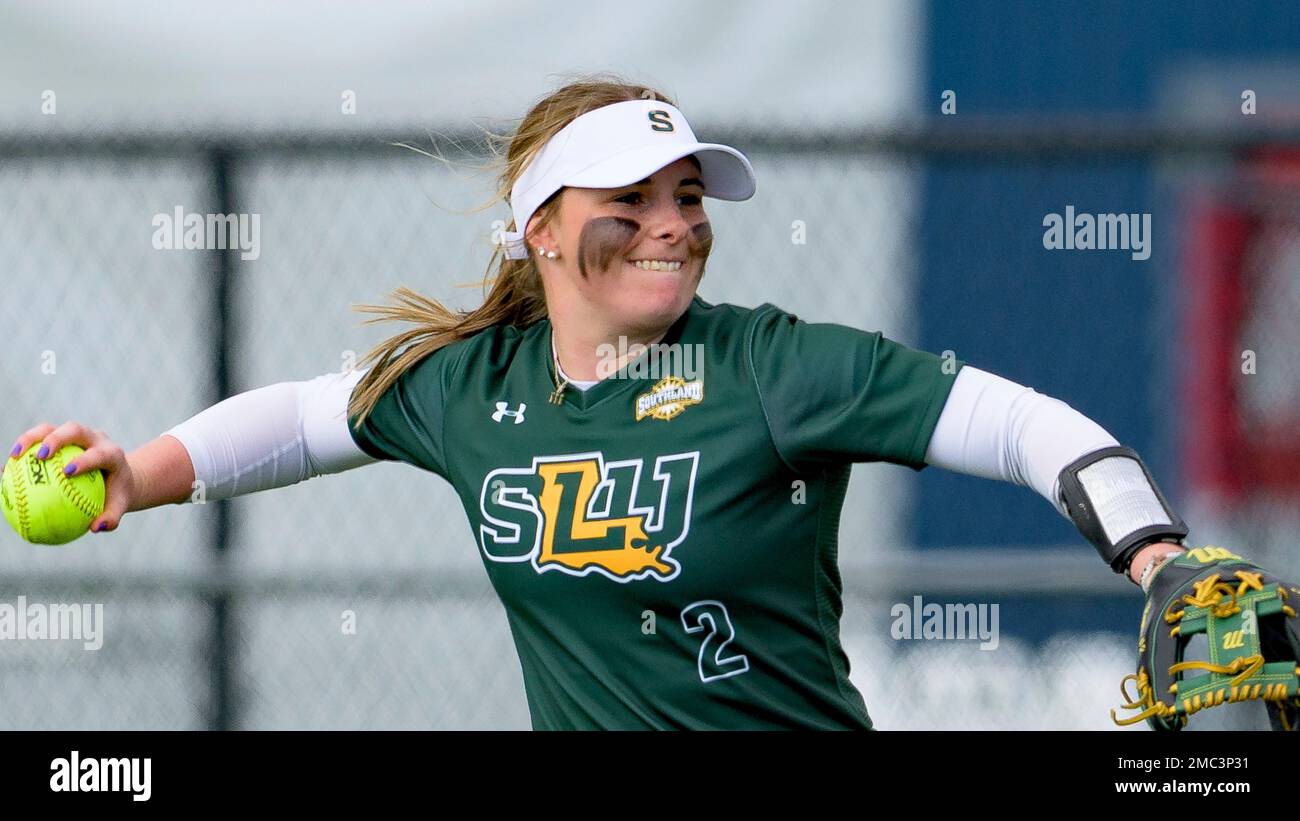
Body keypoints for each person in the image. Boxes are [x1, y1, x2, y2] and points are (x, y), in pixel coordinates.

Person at [6, 77, 1191, 730]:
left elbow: (1027, 424)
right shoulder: (473, 385)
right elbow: (303, 419)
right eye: (632, 194)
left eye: (688, 192)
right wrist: (136, 473)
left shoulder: (777, 367)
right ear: (542, 229)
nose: (675, 219)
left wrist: (1155, 556)